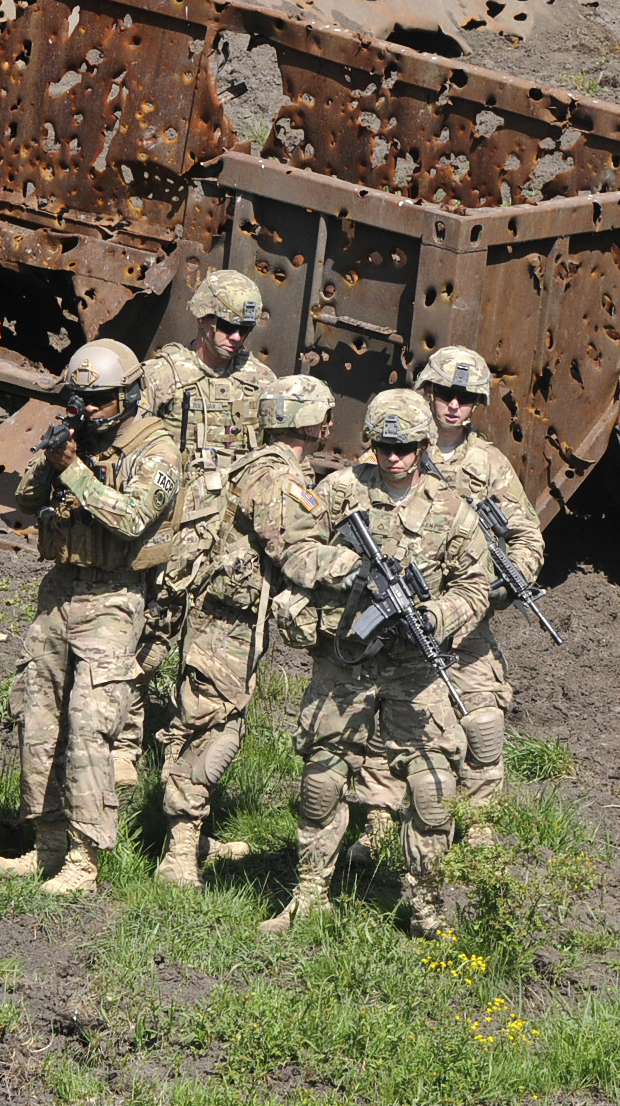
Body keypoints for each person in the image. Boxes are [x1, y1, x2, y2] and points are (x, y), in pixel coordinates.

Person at [262, 389, 489, 937]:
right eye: (385, 446)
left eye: (405, 447)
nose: (394, 457)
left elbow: (475, 587)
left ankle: (425, 906)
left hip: (416, 668)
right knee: (323, 775)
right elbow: (292, 548)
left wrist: (436, 615)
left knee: (433, 787)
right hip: (348, 661)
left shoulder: (452, 509)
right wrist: (348, 569)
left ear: (423, 445)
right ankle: (309, 896)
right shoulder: (339, 491)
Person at [153, 375, 362, 888]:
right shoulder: (277, 479)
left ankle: (191, 839)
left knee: (207, 723)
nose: (329, 425)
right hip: (226, 626)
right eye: (324, 416)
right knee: (210, 730)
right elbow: (296, 553)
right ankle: (178, 855)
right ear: (310, 424)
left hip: (225, 620)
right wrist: (358, 569)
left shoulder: (259, 465)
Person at [0, 340, 182, 896]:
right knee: (39, 717)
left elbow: (132, 519)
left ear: (129, 395)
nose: (89, 408)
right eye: (81, 399)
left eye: (101, 399)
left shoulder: (155, 449)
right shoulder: (75, 438)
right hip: (60, 589)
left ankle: (84, 858)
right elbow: (25, 500)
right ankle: (47, 843)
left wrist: (74, 470)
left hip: (113, 597)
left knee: (89, 725)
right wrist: (51, 459)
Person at [120, 270, 277, 786]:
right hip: (168, 535)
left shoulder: (261, 383)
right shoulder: (164, 375)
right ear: (203, 320)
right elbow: (127, 443)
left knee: (212, 658)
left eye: (244, 330)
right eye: (227, 326)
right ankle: (123, 746)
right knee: (145, 640)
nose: (235, 338)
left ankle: (184, 762)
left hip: (229, 543)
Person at [416, 345, 545, 843]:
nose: (454, 405)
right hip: (407, 614)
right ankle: (382, 821)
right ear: (428, 392)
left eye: (465, 398)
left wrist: (509, 581)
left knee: (485, 720)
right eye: (445, 394)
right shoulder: (398, 447)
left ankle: (478, 826)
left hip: (468, 618)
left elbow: (527, 535)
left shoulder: (489, 464)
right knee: (392, 720)